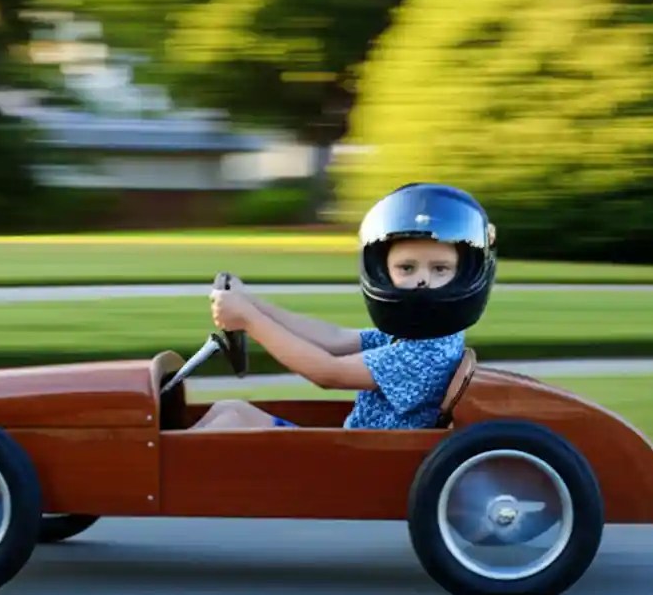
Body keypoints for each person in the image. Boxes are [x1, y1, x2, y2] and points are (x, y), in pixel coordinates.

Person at [190, 183, 498, 431]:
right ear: (383, 271)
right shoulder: (414, 338)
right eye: (407, 268)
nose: (423, 281)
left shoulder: (423, 355)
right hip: (355, 450)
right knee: (229, 409)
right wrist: (253, 304)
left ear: (462, 274)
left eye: (440, 269)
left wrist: (249, 321)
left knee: (229, 423)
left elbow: (329, 373)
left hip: (366, 466)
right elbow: (335, 338)